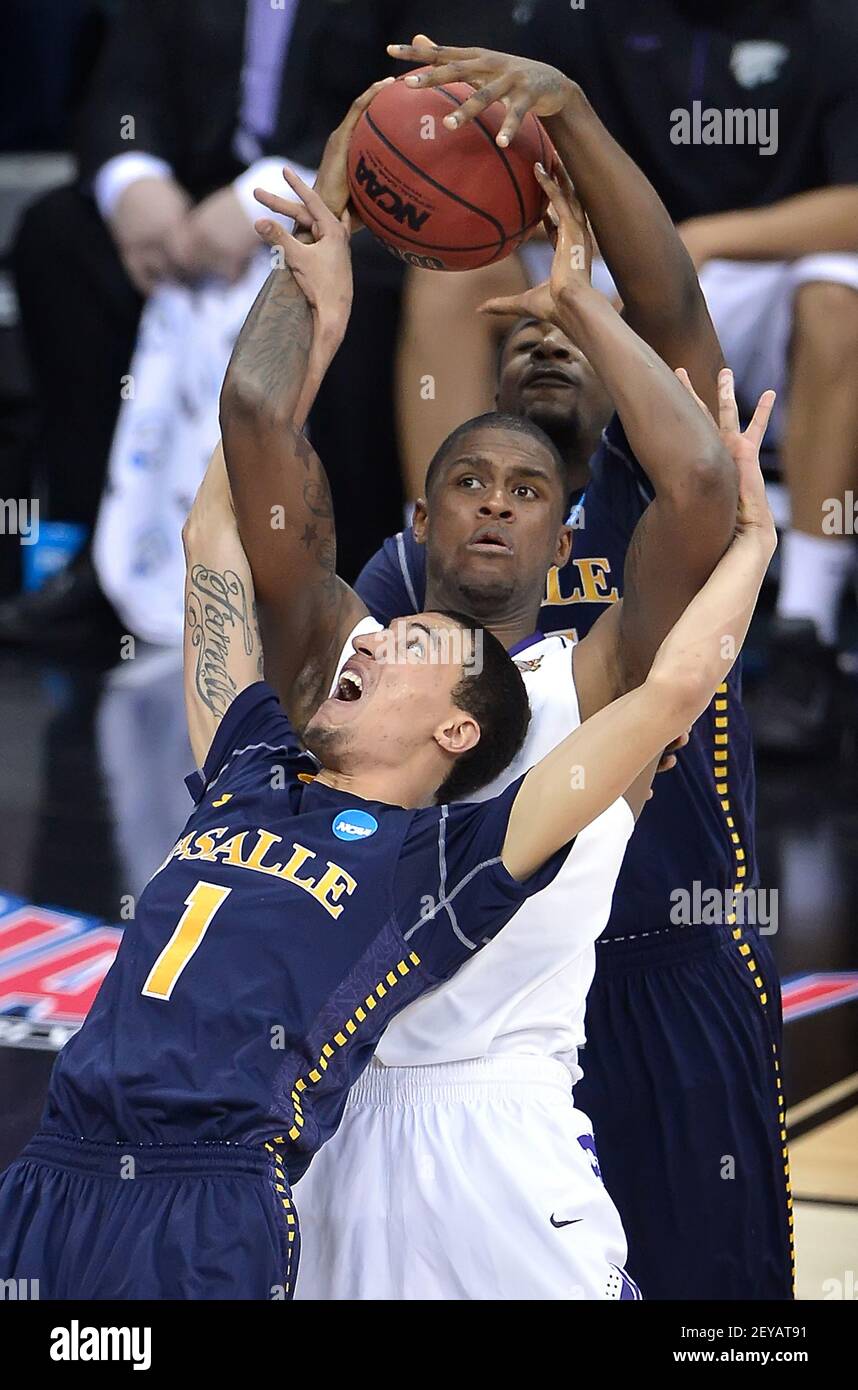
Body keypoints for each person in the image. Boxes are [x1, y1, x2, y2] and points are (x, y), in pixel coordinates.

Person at [0, 207, 775, 1299]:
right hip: (310, 1135)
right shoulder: (275, 754)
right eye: (468, 482)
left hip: (488, 1133)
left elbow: (689, 583)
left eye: (529, 489)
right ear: (417, 520)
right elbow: (223, 513)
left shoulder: (531, 756)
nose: (495, 503)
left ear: (569, 536)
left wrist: (744, 529)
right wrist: (311, 304)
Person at [300, 41, 793, 1301]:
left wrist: (567, 130)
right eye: (516, 345)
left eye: (568, 342)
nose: (544, 353)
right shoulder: (415, 576)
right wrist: (367, 183)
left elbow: (675, 312)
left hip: (658, 972)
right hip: (474, 1016)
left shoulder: (653, 536)